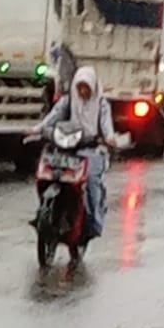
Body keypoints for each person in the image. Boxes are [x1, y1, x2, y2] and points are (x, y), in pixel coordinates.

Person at [27, 66, 116, 244]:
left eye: (86, 87)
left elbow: (107, 127)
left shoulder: (101, 104)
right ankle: (45, 212)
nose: (83, 91)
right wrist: (36, 130)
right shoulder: (67, 101)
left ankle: (92, 222)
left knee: (91, 181)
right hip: (67, 148)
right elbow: (52, 118)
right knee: (47, 171)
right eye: (79, 87)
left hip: (92, 150)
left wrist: (109, 138)